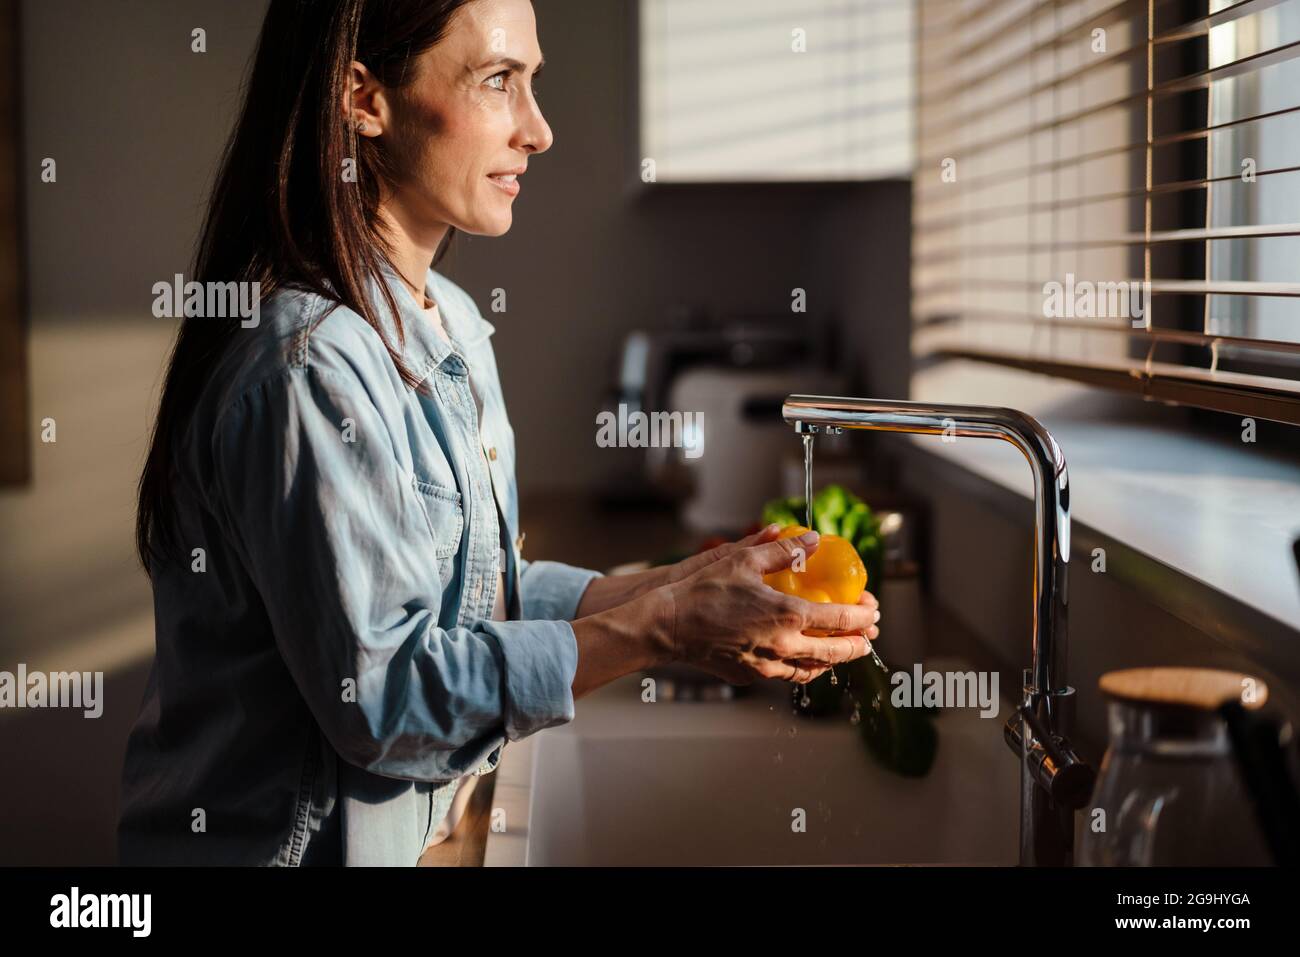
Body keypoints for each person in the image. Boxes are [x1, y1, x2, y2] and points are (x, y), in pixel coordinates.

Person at [119, 0, 879, 866]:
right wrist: (663, 627)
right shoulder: (309, 372)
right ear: (363, 98)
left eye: (533, 84)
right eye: (496, 82)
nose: (540, 131)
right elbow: (384, 700)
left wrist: (683, 584)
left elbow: (477, 592)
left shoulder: (451, 324)